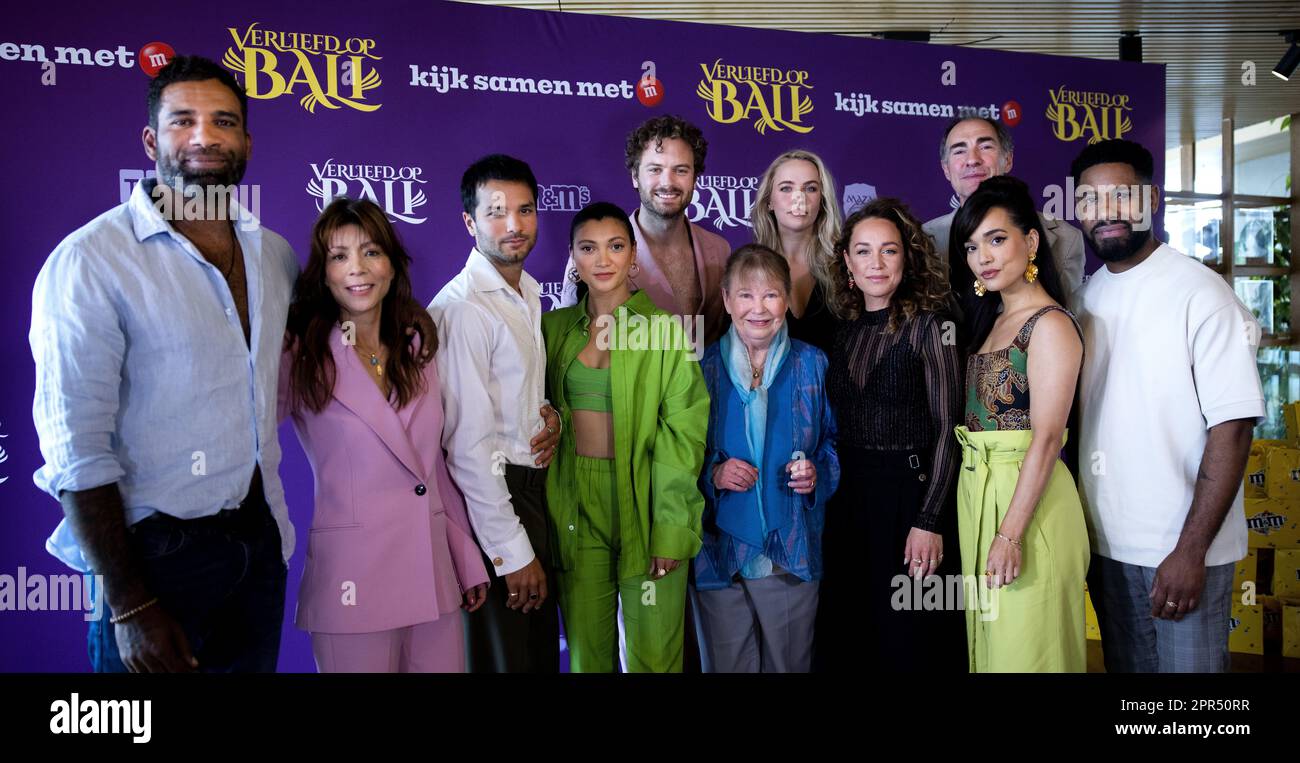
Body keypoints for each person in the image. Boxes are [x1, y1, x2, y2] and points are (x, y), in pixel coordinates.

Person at [29, 55, 296, 672]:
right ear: (151, 140)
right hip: (153, 562)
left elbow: (337, 332)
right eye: (184, 121)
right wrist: (129, 603)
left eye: (224, 121)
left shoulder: (272, 255)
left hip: (258, 548)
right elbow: (77, 449)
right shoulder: (90, 262)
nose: (205, 136)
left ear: (247, 141)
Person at [1071, 139, 1263, 672]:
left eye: (1120, 196)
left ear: (1151, 198)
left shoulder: (1201, 293)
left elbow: (1235, 426)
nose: (1104, 212)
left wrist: (1191, 551)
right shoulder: (1086, 297)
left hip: (1178, 551)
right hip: (1107, 547)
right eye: (1089, 199)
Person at [278, 198, 489, 672]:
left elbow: (430, 463)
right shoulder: (300, 350)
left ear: (392, 266)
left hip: (432, 576)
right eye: (339, 256)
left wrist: (464, 553)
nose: (358, 269)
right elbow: (249, 435)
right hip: (352, 581)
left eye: (371, 252)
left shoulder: (417, 344)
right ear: (324, 272)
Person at [541, 202, 710, 672]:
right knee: (587, 660)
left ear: (633, 256)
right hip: (575, 509)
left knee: (654, 659)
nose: (603, 259)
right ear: (573, 258)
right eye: (588, 248)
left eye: (616, 246)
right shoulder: (551, 330)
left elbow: (685, 435)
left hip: (648, 502)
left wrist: (672, 528)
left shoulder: (665, 333)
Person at [947, 176, 1090, 672]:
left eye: (997, 238)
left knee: (1030, 650)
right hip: (979, 490)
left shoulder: (1050, 323)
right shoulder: (987, 320)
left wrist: (1010, 534)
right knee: (992, 649)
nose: (982, 256)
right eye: (971, 245)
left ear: (1030, 241)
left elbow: (1048, 438)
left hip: (1028, 505)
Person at [817, 198, 966, 672]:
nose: (876, 264)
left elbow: (949, 430)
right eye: (863, 252)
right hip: (847, 501)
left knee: (909, 641)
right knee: (852, 635)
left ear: (908, 256)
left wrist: (930, 521)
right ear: (847, 262)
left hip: (911, 500)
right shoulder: (842, 328)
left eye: (889, 250)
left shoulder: (932, 326)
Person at [428, 154, 562, 673]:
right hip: (493, 502)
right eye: (497, 211)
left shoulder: (526, 293)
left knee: (534, 657)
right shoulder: (463, 309)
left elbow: (516, 396)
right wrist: (511, 553)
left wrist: (548, 416)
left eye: (525, 210)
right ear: (470, 221)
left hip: (534, 494)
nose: (514, 225)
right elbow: (467, 446)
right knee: (506, 660)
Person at [693, 244, 840, 672]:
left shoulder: (813, 364)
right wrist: (713, 473)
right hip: (719, 555)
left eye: (771, 295)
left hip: (790, 551)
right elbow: (676, 459)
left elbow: (832, 445)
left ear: (787, 299)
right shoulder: (701, 370)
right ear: (725, 299)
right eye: (745, 295)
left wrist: (816, 473)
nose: (758, 308)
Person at [560, 115, 731, 345]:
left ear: (695, 179)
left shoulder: (720, 250)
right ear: (634, 177)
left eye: (680, 170)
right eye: (655, 169)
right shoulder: (593, 253)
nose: (667, 182)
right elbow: (568, 341)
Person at [923, 116, 1085, 296]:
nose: (972, 160)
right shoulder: (924, 238)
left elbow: (1066, 311)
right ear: (946, 169)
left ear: (1008, 160)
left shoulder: (1066, 238)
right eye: (959, 151)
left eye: (985, 147)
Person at [749, 150, 843, 352]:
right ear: (769, 202)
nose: (799, 198)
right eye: (786, 188)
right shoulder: (747, 271)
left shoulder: (846, 268)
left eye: (810, 188)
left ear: (823, 200)